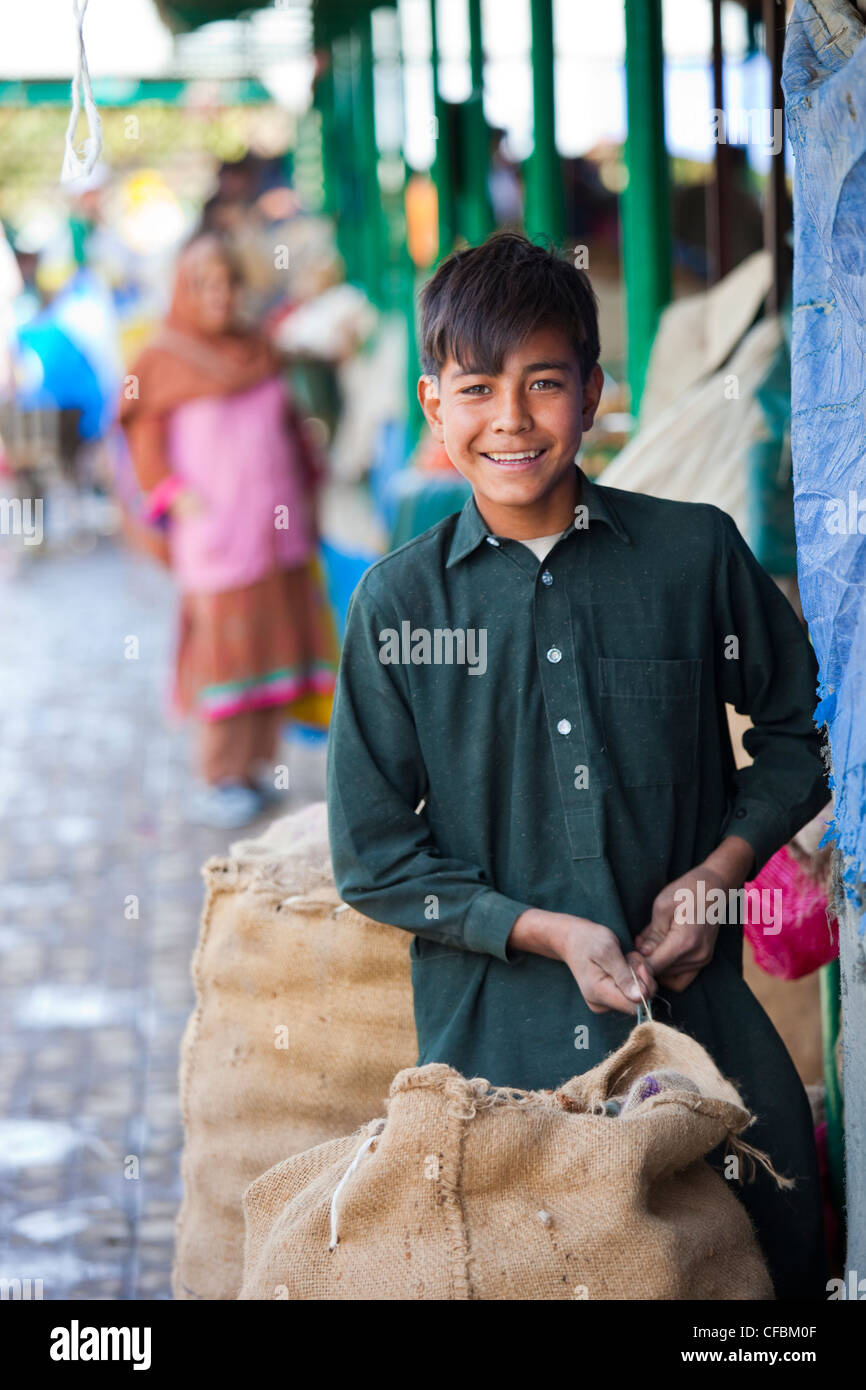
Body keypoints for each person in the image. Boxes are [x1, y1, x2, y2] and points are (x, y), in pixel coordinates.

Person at [326, 231, 830, 1299]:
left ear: (594, 392)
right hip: (492, 1055)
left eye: (542, 383)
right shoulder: (400, 605)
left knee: (776, 1248)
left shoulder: (692, 554)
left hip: (693, 1033)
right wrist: (544, 929)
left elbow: (808, 729)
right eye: (475, 388)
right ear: (431, 405)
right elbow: (372, 856)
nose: (508, 419)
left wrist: (714, 877)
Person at [121, 234, 337, 828]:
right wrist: (174, 495)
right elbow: (143, 441)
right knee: (224, 652)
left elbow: (293, 428)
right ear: (184, 290)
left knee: (278, 645)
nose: (220, 295)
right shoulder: (162, 359)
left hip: (280, 531)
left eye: (228, 282)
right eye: (205, 284)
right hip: (217, 538)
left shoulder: (260, 350)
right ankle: (217, 775)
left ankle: (256, 768)